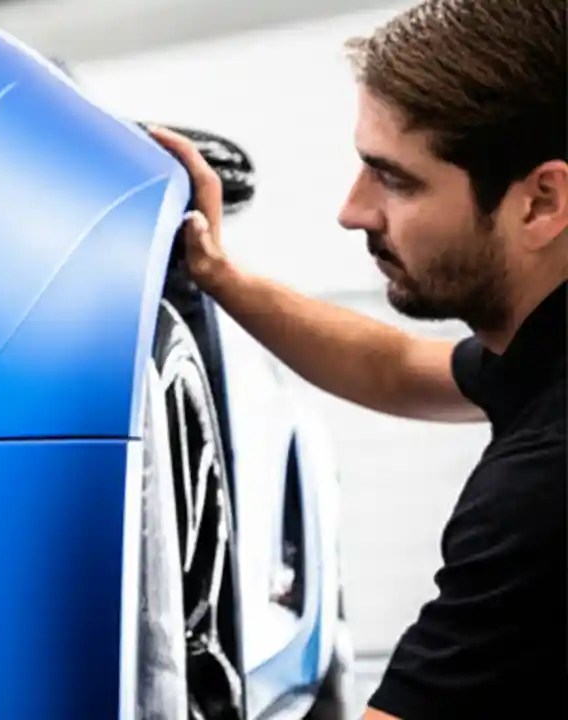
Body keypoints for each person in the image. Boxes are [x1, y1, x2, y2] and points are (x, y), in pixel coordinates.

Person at [147, 0, 566, 718]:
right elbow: (395, 367)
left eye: (395, 180)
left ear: (541, 202)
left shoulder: (540, 491)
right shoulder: (541, 354)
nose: (353, 210)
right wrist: (217, 275)